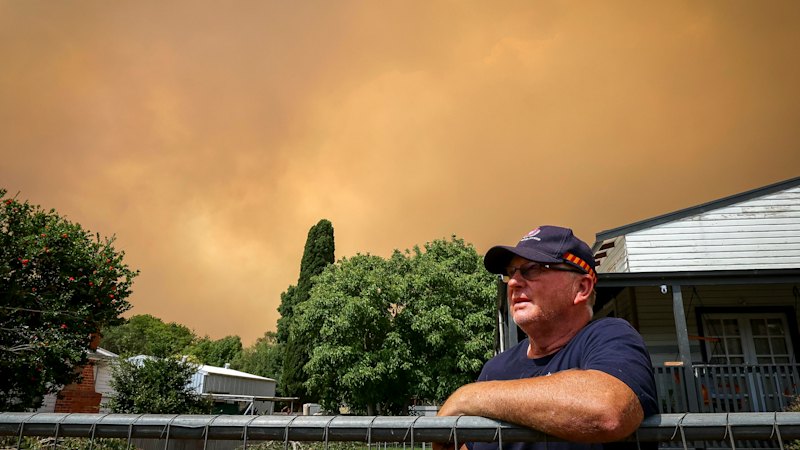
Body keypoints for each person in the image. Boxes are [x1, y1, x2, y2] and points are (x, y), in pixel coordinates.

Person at [435, 225, 658, 450]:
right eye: (511, 272)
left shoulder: (611, 336)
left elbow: (608, 410)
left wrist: (468, 397)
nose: (513, 282)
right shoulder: (495, 369)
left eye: (532, 269)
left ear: (581, 287)